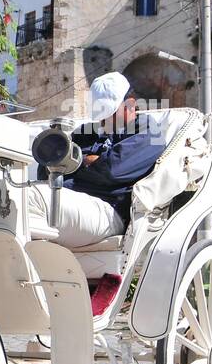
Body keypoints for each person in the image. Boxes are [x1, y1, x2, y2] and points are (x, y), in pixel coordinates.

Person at [27, 71, 169, 248]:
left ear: (130, 105)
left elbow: (112, 169)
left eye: (109, 113)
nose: (103, 119)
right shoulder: (86, 132)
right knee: (12, 195)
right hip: (70, 198)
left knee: (30, 197)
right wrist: (88, 161)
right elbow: (47, 169)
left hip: (109, 211)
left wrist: (77, 166)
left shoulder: (147, 130)